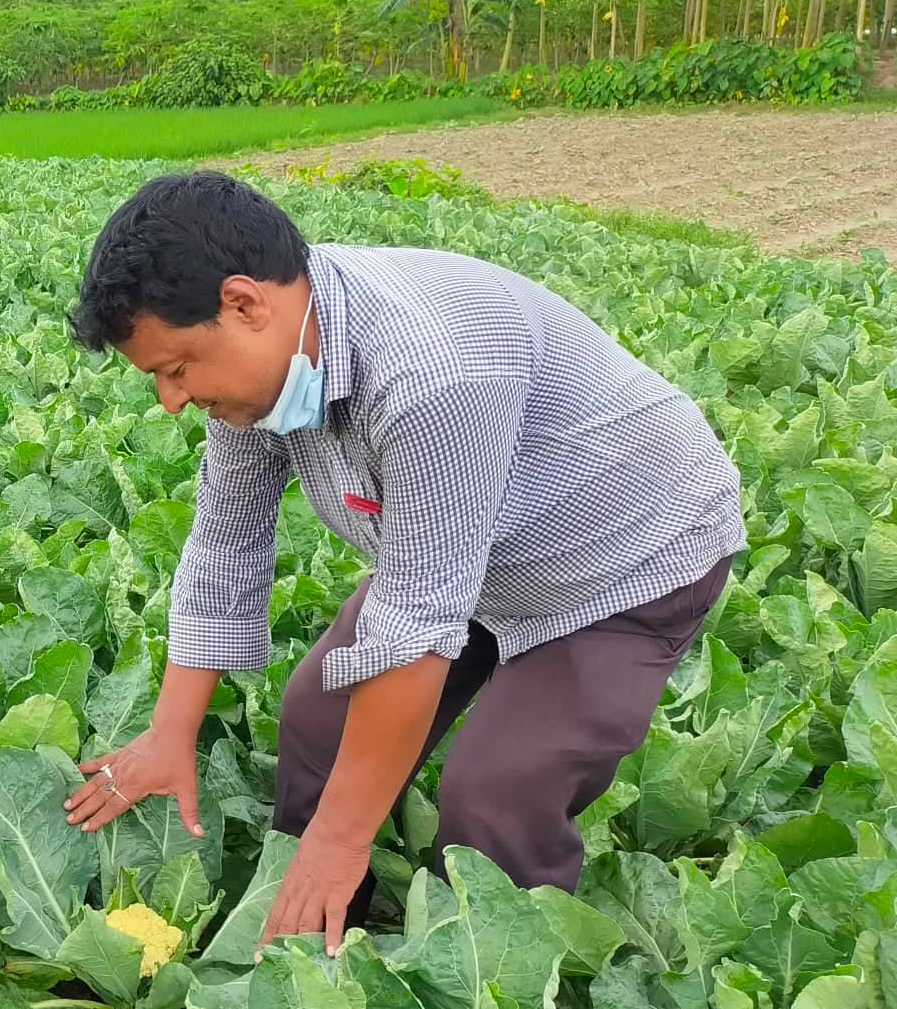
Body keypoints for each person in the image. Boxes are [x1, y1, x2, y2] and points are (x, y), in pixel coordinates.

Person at [61, 172, 743, 956]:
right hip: (476, 555)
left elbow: (416, 629)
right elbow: (225, 543)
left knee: (496, 794)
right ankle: (306, 948)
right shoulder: (263, 372)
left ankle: (493, 1008)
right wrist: (169, 733)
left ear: (245, 303)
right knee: (318, 718)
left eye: (176, 370)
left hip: (621, 559)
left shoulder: (431, 373)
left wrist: (342, 839)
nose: (171, 401)